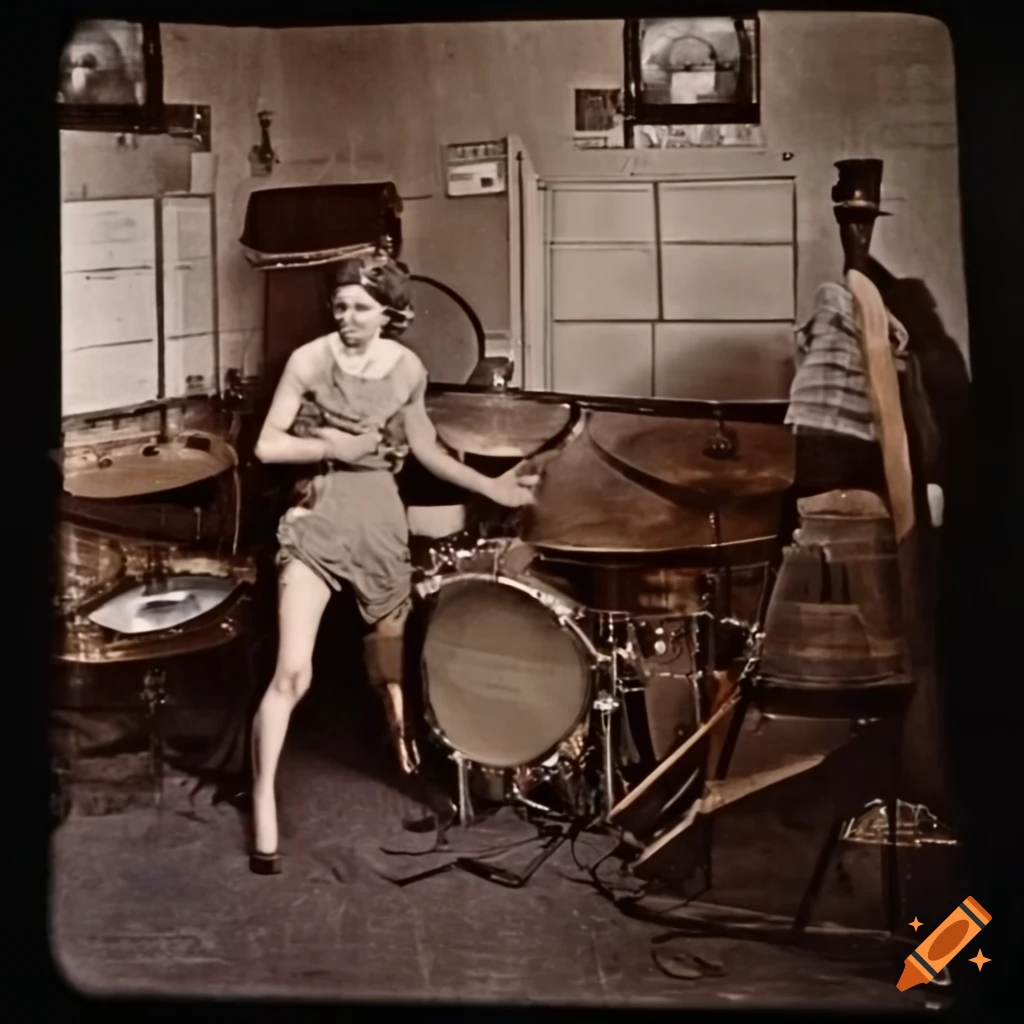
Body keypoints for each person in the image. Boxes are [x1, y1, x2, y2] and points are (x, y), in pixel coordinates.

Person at [247, 251, 540, 874]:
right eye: (340, 305)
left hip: (380, 522)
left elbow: (426, 447)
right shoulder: (308, 360)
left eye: (361, 307)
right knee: (292, 675)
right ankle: (263, 807)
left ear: (391, 312)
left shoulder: (408, 368)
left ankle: (413, 769)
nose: (347, 317)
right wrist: (331, 442)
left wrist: (493, 489)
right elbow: (267, 444)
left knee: (396, 672)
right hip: (317, 520)